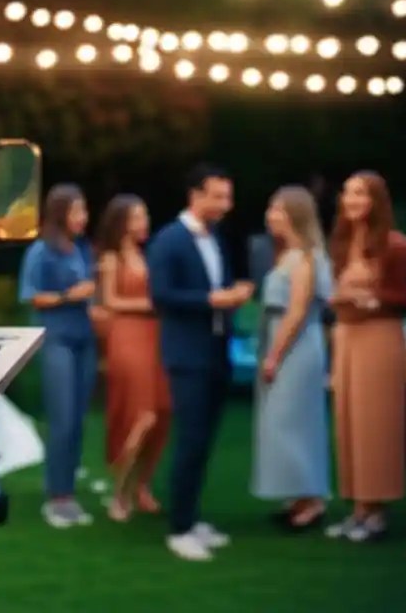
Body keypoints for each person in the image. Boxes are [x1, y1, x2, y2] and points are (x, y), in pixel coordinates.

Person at [147, 164, 254, 561]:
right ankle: (179, 529)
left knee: (204, 441)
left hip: (216, 350)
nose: (226, 205)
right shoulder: (169, 240)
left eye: (229, 196)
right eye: (219, 196)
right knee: (190, 440)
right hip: (187, 354)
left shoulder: (217, 238)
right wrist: (212, 300)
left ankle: (191, 518)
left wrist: (235, 292)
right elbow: (161, 296)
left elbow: (218, 288)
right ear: (196, 195)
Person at [326, 171, 406, 543]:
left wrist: (371, 301)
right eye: (347, 193)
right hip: (347, 337)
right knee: (348, 423)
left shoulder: (396, 246)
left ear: (376, 200)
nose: (352, 200)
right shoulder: (344, 242)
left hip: (379, 338)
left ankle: (377, 513)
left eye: (360, 193)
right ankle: (359, 508)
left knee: (375, 424)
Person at [252, 186, 332, 530]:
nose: (270, 216)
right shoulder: (287, 254)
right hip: (283, 339)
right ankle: (298, 495)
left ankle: (312, 500)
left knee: (294, 422)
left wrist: (274, 356)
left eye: (277, 210)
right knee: (284, 422)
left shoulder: (306, 257)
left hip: (295, 346)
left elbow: (297, 311)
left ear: (294, 215)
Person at [19, 184, 99, 528]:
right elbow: (32, 297)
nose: (83, 217)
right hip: (58, 341)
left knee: (78, 418)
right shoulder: (41, 251)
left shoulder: (80, 249)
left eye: (84, 211)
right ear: (61, 213)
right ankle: (58, 498)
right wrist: (70, 295)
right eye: (77, 211)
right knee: (62, 418)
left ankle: (68, 487)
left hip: (84, 339)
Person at [96, 194, 170, 522]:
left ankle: (143, 486)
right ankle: (119, 494)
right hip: (127, 337)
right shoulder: (111, 259)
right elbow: (111, 301)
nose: (145, 224)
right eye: (138, 217)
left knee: (162, 414)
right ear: (123, 222)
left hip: (154, 338)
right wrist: (151, 305)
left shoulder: (144, 255)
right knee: (142, 416)